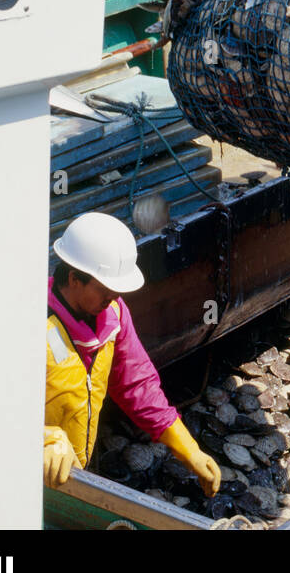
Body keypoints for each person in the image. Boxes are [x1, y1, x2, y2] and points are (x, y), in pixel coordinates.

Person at [44, 212, 220, 496]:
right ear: (75, 279)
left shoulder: (113, 314)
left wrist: (188, 449)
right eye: (105, 290)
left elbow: (136, 384)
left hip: (73, 473)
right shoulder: (31, 325)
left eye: (117, 291)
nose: (113, 298)